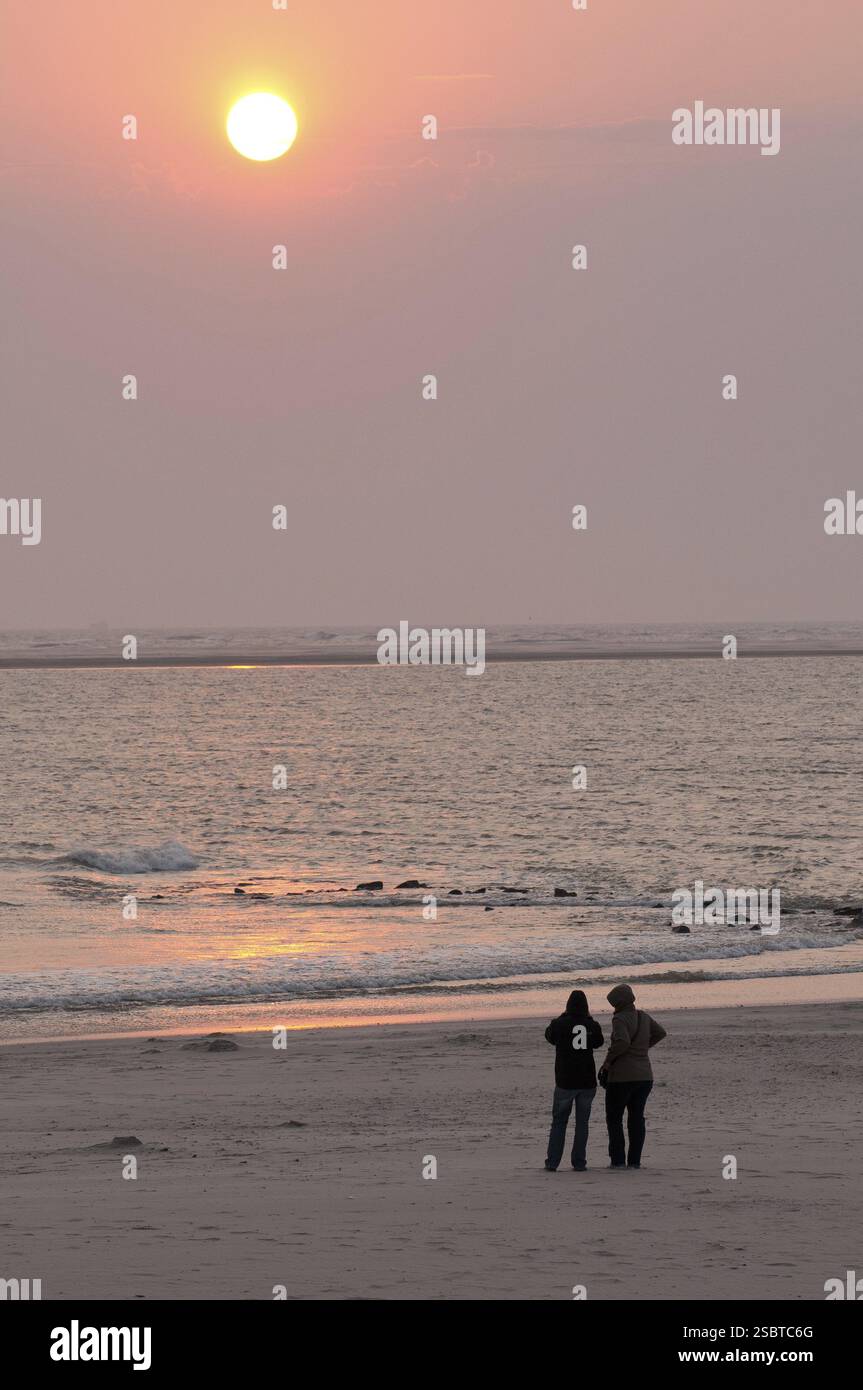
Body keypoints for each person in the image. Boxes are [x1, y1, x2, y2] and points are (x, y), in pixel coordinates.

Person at [600, 983, 666, 1169]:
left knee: (614, 1119)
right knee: (636, 1118)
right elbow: (660, 1033)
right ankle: (635, 1161)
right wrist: (643, 1048)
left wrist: (608, 1061)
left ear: (617, 1004)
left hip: (622, 1077)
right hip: (645, 1077)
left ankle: (618, 1160)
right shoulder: (643, 1016)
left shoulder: (619, 1019)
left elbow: (622, 1042)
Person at [543, 990, 604, 1171]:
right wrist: (589, 1021)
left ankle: (553, 1162)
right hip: (587, 1081)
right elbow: (599, 1042)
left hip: (565, 1080)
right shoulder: (591, 1025)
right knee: (582, 1123)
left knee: (559, 1122)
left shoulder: (559, 1024)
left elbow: (549, 1036)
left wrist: (562, 1018)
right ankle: (579, 1162)